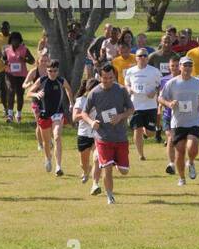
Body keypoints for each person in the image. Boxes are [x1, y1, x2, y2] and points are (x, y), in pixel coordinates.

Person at [80, 63, 133, 204]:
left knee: (124, 171)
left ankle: (116, 161)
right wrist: (91, 122)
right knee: (107, 168)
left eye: (110, 78)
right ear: (100, 77)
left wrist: (121, 116)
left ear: (114, 76)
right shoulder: (94, 93)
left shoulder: (121, 90)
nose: (108, 81)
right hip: (103, 137)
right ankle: (110, 196)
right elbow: (83, 113)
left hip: (120, 137)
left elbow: (131, 109)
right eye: (105, 78)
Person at [159, 57, 199, 185]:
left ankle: (190, 162)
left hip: (194, 120)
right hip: (178, 122)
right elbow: (161, 98)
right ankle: (182, 178)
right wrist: (169, 104)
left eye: (190, 65)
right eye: (185, 65)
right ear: (180, 67)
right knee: (180, 150)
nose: (188, 68)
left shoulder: (198, 82)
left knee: (192, 147)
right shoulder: (172, 83)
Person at [28, 59, 73, 176]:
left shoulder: (61, 80)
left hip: (58, 113)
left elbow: (68, 89)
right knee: (46, 142)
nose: (52, 73)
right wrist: (36, 94)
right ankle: (48, 158)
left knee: (57, 136)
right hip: (44, 114)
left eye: (55, 71)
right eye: (50, 71)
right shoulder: (42, 80)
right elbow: (29, 92)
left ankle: (58, 166)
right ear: (47, 71)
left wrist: (71, 102)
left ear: (58, 71)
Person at [72, 76, 100, 185]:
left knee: (97, 158)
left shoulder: (102, 100)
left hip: (98, 134)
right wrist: (86, 116)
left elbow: (108, 115)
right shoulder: (81, 101)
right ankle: (86, 170)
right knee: (83, 164)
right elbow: (74, 118)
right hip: (84, 134)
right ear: (87, 90)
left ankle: (95, 184)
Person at [2, 32, 34, 123]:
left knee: (20, 94)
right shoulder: (7, 50)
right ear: (10, 41)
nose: (15, 42)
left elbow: (32, 61)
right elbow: (3, 58)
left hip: (21, 75)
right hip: (10, 74)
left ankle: (19, 114)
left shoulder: (24, 50)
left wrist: (24, 59)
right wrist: (5, 62)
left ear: (20, 41)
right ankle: (10, 115)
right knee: (11, 92)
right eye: (13, 40)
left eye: (17, 40)